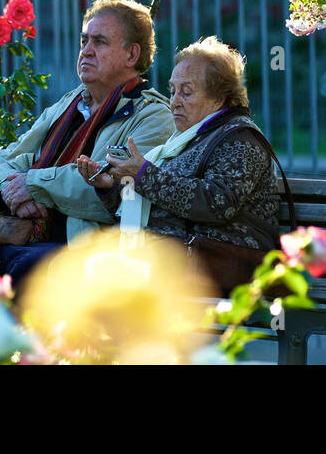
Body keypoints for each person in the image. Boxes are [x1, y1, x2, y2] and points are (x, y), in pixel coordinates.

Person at [0, 0, 174, 297]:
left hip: (77, 245)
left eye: (100, 42)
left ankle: (11, 345)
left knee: (28, 275)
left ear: (132, 54)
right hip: (11, 233)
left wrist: (33, 184)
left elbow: (106, 186)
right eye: (84, 41)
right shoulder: (69, 104)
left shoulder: (154, 116)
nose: (86, 51)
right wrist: (10, 194)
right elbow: (5, 159)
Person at [75, 35, 284, 293]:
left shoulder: (240, 139)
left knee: (95, 281)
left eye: (186, 92)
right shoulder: (184, 140)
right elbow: (155, 203)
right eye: (172, 91)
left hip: (226, 267)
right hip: (175, 262)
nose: (174, 101)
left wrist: (143, 174)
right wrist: (109, 187)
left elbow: (216, 204)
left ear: (219, 98)